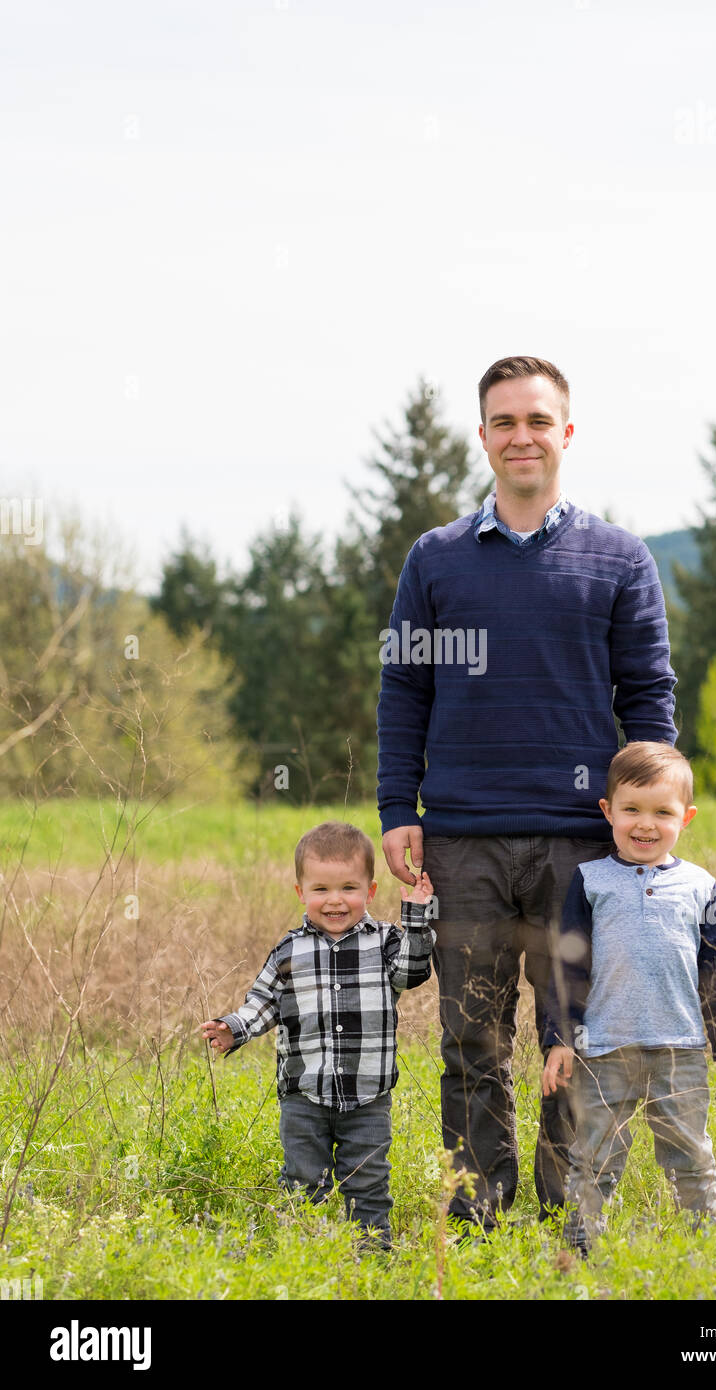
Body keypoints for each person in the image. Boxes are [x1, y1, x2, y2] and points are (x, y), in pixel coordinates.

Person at [377, 355, 678, 1228]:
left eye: (538, 421)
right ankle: (476, 1206)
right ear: (483, 437)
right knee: (471, 1037)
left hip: (584, 846)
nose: (521, 436)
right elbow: (405, 691)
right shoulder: (434, 560)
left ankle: (570, 1210)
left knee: (579, 1035)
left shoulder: (620, 559)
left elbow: (650, 699)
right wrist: (401, 810)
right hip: (463, 836)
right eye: (504, 422)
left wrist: (649, 818)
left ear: (566, 433)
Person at [542, 742, 716, 1254]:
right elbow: (567, 967)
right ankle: (581, 1252)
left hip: (680, 1049)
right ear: (608, 812)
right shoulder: (590, 881)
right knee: (594, 1157)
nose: (645, 824)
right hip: (603, 1049)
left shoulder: (701, 885)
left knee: (691, 1155)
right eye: (631, 809)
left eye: (663, 812)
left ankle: (709, 1251)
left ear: (687, 817)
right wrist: (560, 1039)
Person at [200, 821, 436, 1250]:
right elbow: (263, 1003)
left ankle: (371, 1259)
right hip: (304, 1095)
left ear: (370, 891)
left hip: (367, 1096)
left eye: (348, 888)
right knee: (303, 1183)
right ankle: (306, 1253)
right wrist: (233, 1029)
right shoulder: (289, 951)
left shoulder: (385, 942)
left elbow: (413, 971)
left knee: (368, 1183)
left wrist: (417, 916)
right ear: (301, 893)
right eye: (321, 890)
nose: (335, 901)